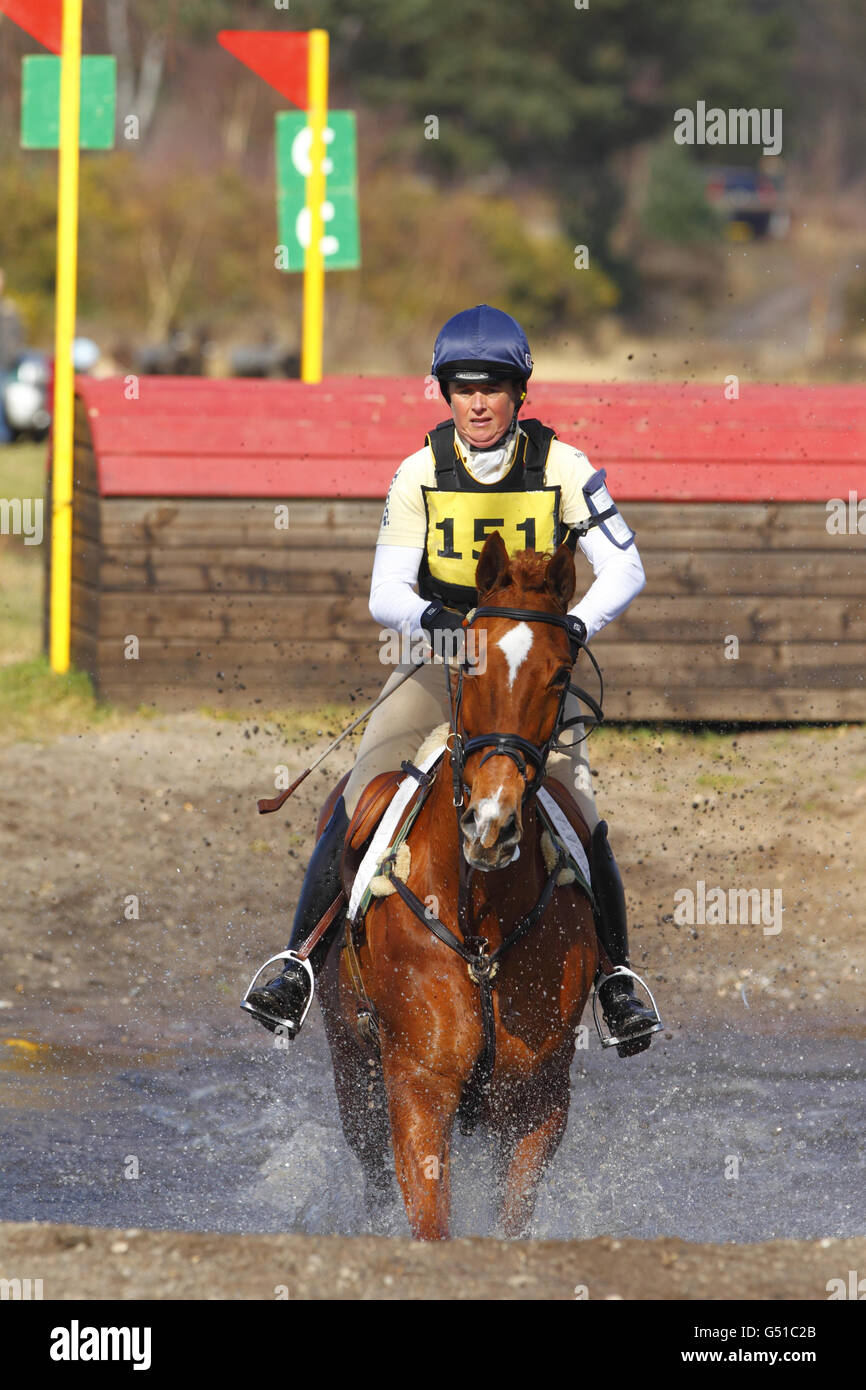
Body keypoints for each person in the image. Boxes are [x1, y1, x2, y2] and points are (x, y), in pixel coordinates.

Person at [241, 304, 662, 1056]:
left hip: (527, 672)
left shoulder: (564, 468)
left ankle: (616, 981)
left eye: (493, 387)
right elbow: (385, 593)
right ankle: (298, 963)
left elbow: (626, 565)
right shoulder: (418, 472)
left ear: (519, 393)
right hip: (446, 663)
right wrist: (445, 627)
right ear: (444, 393)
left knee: (580, 814)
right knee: (363, 791)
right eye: (463, 387)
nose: (477, 403)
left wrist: (568, 633)